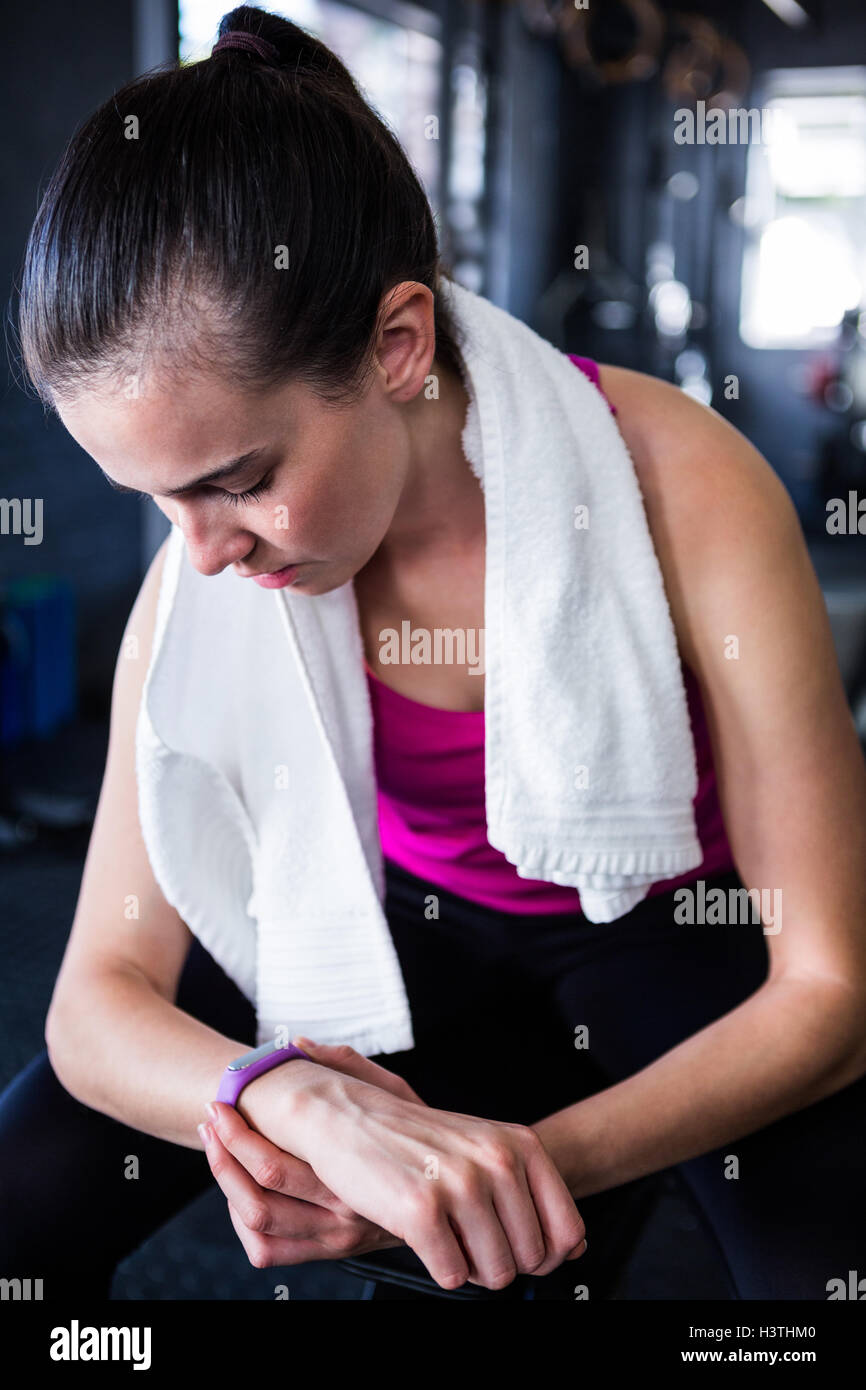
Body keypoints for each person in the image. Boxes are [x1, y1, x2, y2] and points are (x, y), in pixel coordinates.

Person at [2, 4, 865, 1302]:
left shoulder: (683, 482)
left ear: (397, 346)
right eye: (158, 497)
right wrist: (296, 1102)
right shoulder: (206, 560)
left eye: (240, 479)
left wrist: (515, 1165)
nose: (204, 553)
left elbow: (831, 989)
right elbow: (95, 1007)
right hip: (379, 908)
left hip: (649, 925)